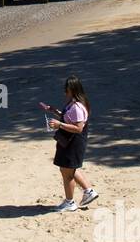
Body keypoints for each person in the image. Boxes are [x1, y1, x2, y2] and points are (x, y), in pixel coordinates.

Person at [39, 75, 97, 212]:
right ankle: (88, 191)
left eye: (66, 89)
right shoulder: (74, 104)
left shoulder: (77, 106)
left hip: (73, 143)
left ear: (72, 90)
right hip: (69, 142)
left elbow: (78, 128)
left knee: (67, 172)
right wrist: (54, 111)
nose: (65, 92)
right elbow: (68, 118)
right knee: (68, 169)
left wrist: (59, 124)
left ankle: (70, 202)